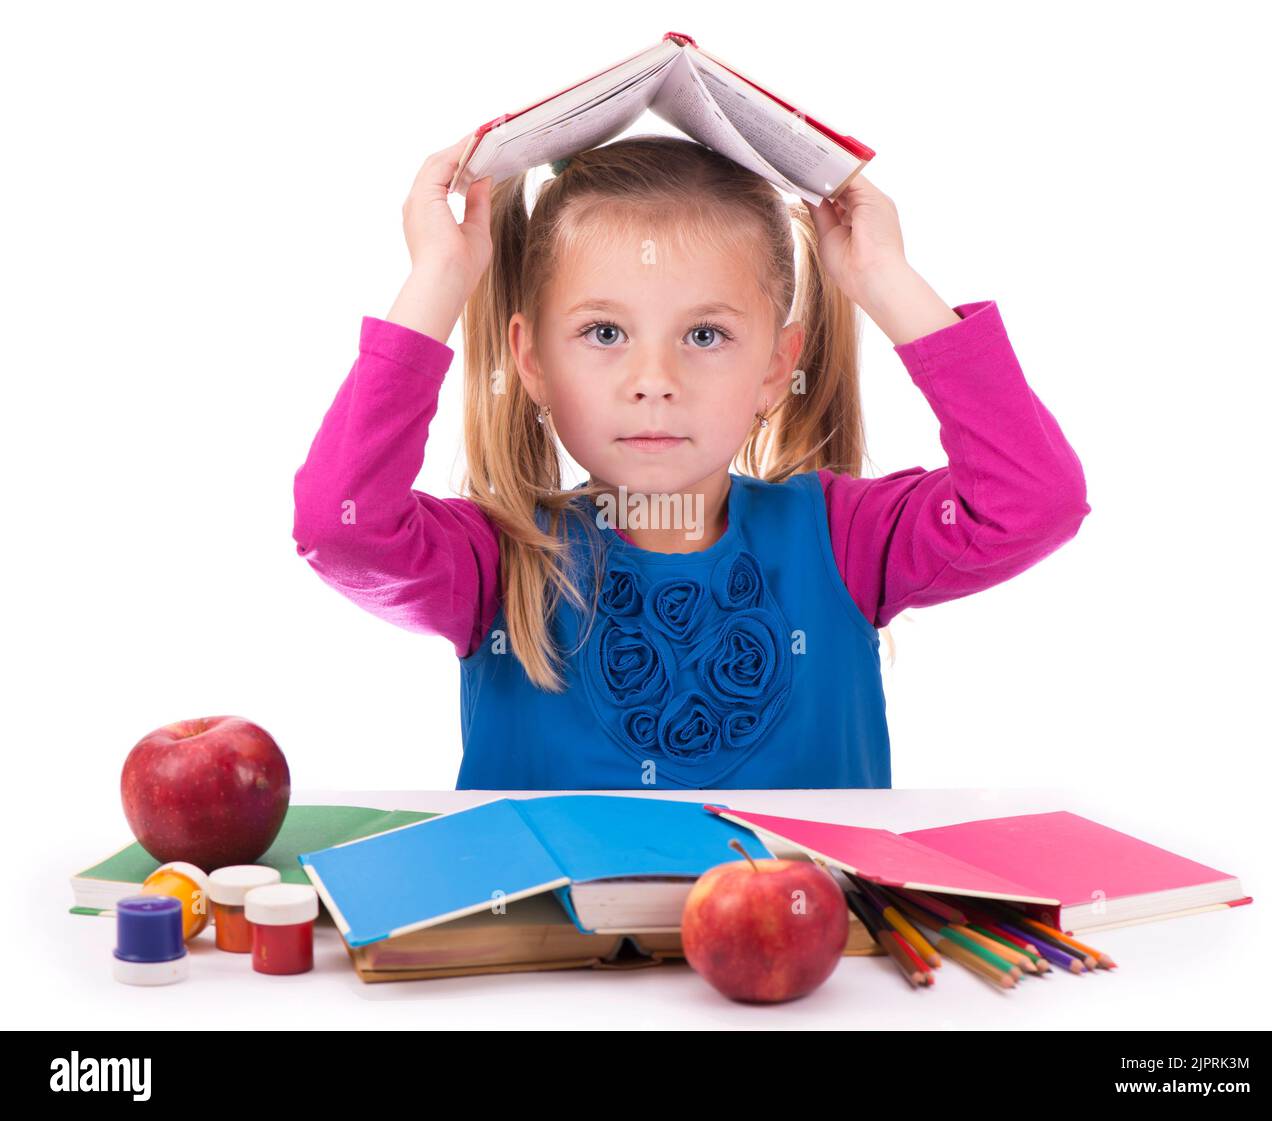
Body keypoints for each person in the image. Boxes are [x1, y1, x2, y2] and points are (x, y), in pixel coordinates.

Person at [292, 133, 1090, 790]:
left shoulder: (845, 540)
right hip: (542, 984)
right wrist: (437, 281)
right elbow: (339, 526)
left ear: (776, 367)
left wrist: (885, 279)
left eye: (705, 335)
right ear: (531, 360)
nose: (654, 383)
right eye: (604, 333)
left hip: (823, 980)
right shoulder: (496, 559)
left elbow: (1035, 500)